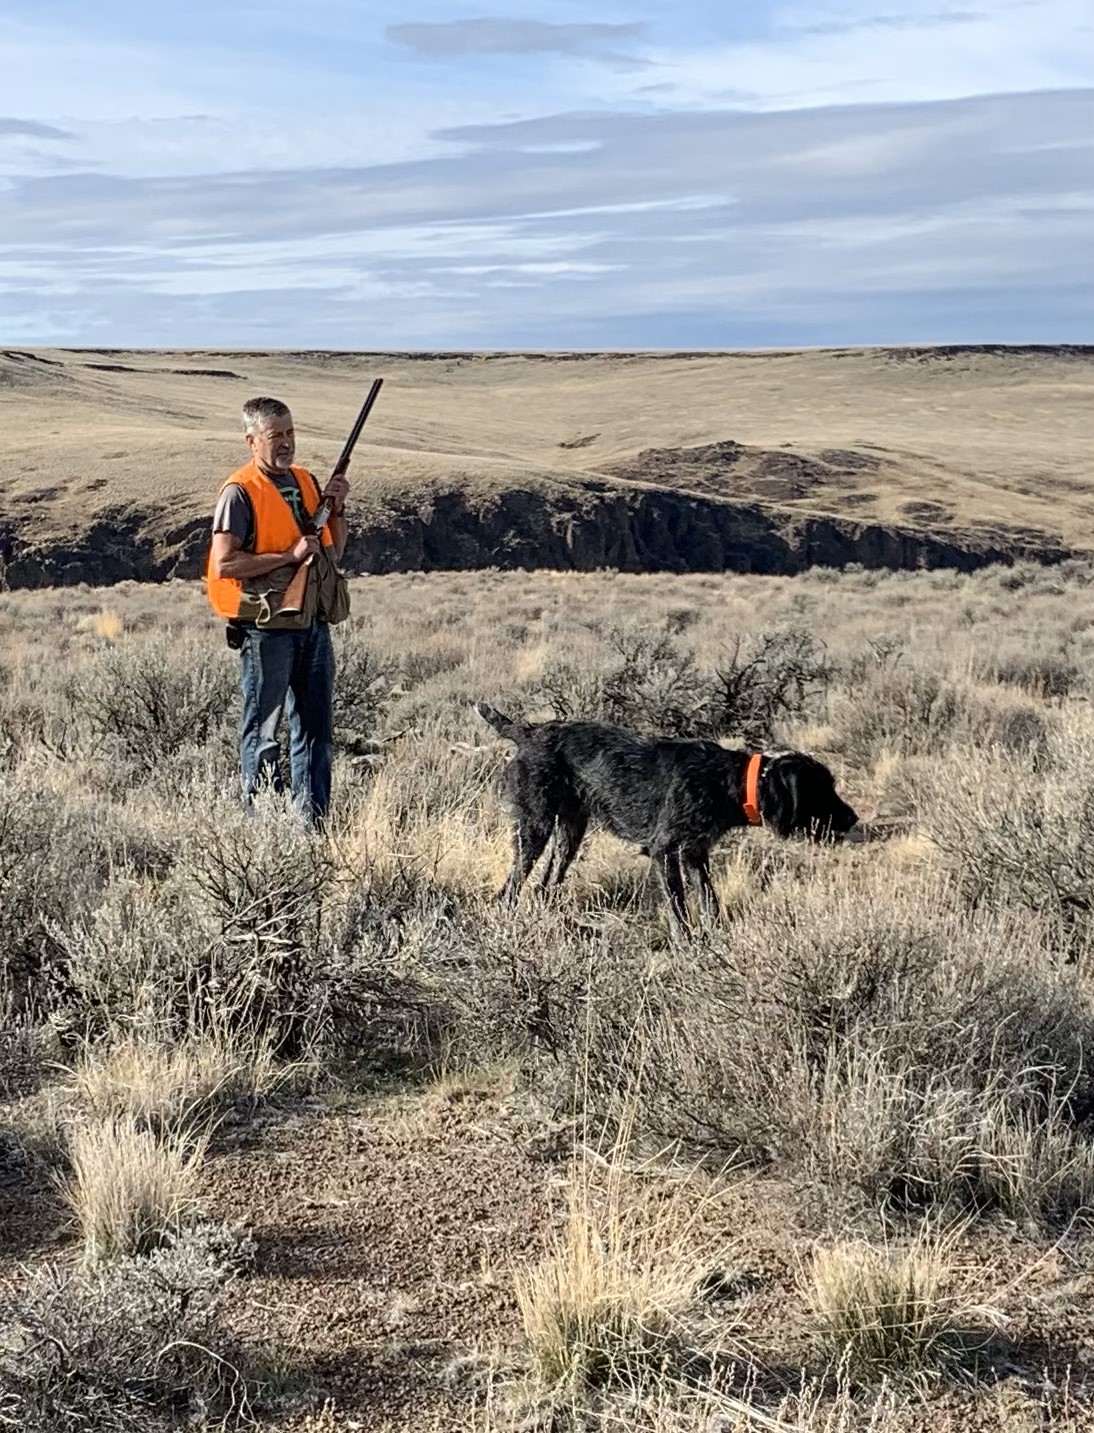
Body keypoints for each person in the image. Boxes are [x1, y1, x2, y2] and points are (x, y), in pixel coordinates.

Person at [206, 396, 349, 827]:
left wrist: (337, 508)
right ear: (252, 441)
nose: (286, 443)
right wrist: (287, 556)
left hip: (312, 625)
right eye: (275, 436)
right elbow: (225, 564)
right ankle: (266, 833)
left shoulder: (306, 481)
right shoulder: (239, 493)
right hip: (266, 629)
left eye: (290, 433)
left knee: (315, 735)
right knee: (264, 733)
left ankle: (313, 829)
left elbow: (334, 550)